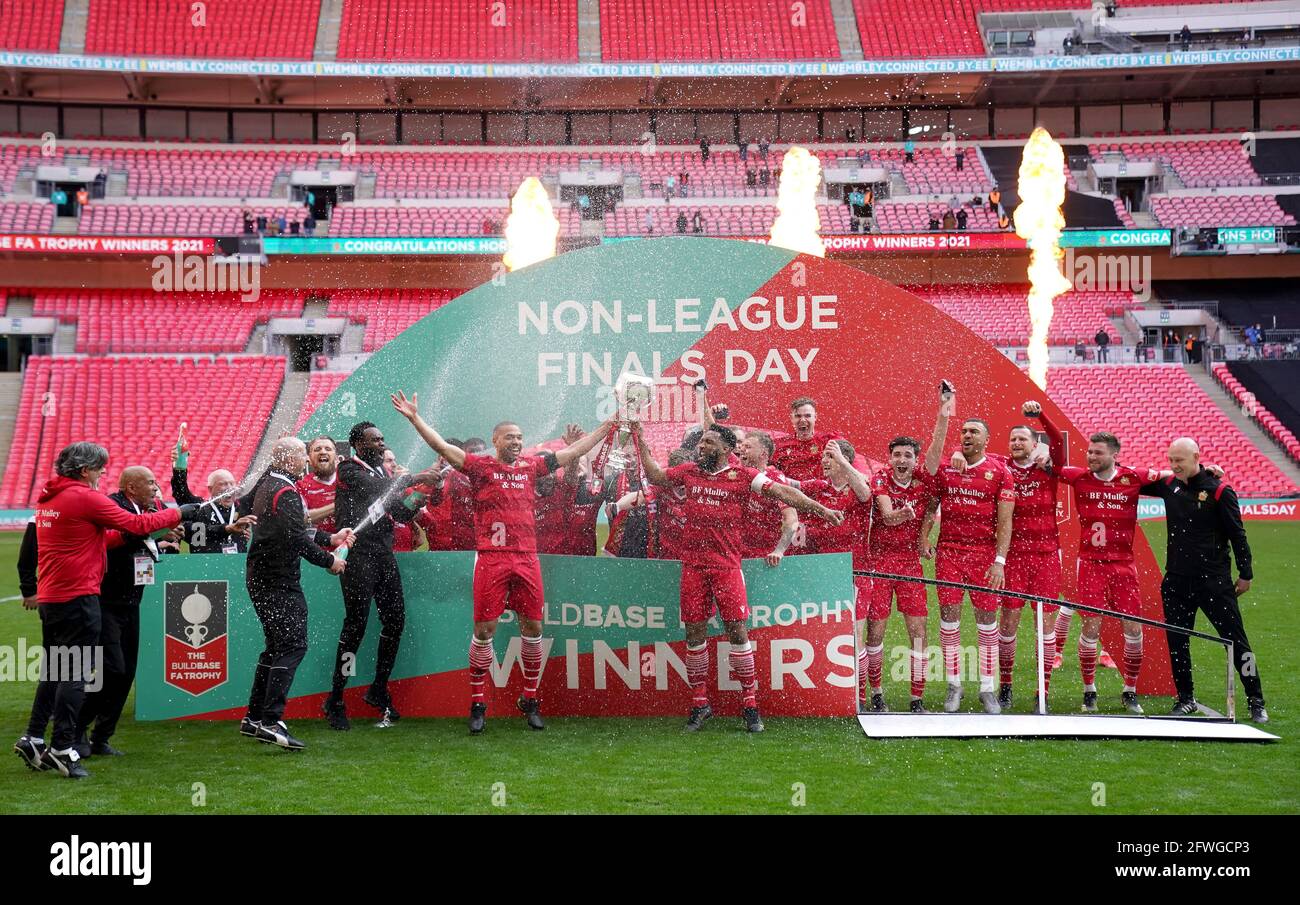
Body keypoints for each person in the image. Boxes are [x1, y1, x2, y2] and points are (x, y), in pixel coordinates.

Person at [391, 390, 615, 734]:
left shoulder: (531, 466)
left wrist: (606, 428)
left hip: (526, 559)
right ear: (495, 440)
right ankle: (478, 702)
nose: (517, 441)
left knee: (534, 629)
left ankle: (530, 699)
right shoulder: (480, 467)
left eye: (520, 437)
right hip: (492, 559)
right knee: (484, 631)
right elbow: (441, 448)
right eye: (510, 436)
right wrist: (414, 417)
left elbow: (572, 452)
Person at [633, 421, 843, 732]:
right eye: (701, 442)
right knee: (694, 635)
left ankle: (750, 704)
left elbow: (784, 492)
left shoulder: (742, 476)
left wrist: (822, 510)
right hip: (693, 567)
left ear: (728, 450)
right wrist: (640, 439)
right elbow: (656, 476)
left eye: (708, 443)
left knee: (737, 634)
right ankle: (700, 704)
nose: (702, 446)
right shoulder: (691, 470)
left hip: (727, 568)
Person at [13, 442, 188, 778]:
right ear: (84, 470)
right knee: (75, 674)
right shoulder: (84, 496)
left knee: (54, 671)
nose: (102, 474)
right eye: (99, 468)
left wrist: (123, 539)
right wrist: (182, 512)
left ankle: (34, 737)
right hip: (79, 598)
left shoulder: (50, 498)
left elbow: (100, 539)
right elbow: (137, 526)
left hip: (53, 598)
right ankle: (64, 746)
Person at [1142, 439, 1266, 722]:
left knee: (1235, 641)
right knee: (1177, 642)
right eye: (1171, 460)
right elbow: (1131, 480)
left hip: (1214, 582)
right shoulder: (1168, 485)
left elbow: (1238, 534)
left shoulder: (1220, 490)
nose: (1174, 466)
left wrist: (1245, 573)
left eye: (1180, 460)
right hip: (1176, 582)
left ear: (1196, 457)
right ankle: (1186, 699)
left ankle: (1256, 699)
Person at [323, 423, 436, 730]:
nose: (383, 445)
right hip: (358, 557)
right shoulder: (348, 468)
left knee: (395, 620)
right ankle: (335, 699)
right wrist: (417, 477)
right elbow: (377, 491)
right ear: (359, 444)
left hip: (383, 556)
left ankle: (378, 688)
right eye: (376, 440)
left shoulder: (382, 474)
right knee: (356, 625)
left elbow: (398, 512)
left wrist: (421, 496)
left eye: (384, 439)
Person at [241, 438, 352, 750]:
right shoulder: (286, 491)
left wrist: (331, 538)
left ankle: (254, 717)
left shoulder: (271, 486)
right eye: (303, 454)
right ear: (289, 458)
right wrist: (330, 560)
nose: (306, 459)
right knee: (292, 646)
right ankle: (270, 720)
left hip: (265, 578)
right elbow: (295, 538)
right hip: (277, 581)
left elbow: (296, 528)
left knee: (275, 647)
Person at [1055, 433, 1168, 714]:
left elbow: (1172, 474)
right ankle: (1089, 690)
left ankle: (1129, 690)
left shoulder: (1132, 478)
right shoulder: (1080, 477)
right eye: (1090, 452)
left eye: (1097, 453)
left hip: (1123, 565)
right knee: (1091, 627)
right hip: (1090, 564)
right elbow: (1046, 468)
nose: (1091, 457)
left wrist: (1206, 471)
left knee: (1133, 628)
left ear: (1114, 454)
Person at [74, 467, 183, 758]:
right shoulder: (112, 506)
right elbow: (109, 540)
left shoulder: (142, 509)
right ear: (131, 488)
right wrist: (147, 530)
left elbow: (142, 536)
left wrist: (162, 536)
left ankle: (101, 737)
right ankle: (76, 729)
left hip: (131, 601)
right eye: (149, 482)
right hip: (106, 601)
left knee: (126, 672)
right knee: (112, 668)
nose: (155, 487)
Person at [921, 383, 1016, 714]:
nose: (967, 435)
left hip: (984, 555)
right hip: (948, 552)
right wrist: (923, 537)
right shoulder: (948, 467)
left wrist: (1000, 562)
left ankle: (987, 688)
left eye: (974, 432)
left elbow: (1005, 522)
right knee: (949, 620)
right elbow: (932, 500)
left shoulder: (1000, 472)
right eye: (964, 431)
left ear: (986, 439)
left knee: (986, 621)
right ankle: (954, 685)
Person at [977, 402, 1066, 711]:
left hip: (1045, 557)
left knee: (1045, 625)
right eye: (1012, 439)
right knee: (1009, 623)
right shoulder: (1001, 469)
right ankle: (1006, 686)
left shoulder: (1048, 468)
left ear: (1034, 443)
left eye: (1022, 439)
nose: (1016, 443)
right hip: (1013, 557)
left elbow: (1058, 440)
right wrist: (961, 455)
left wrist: (1040, 415)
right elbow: (972, 456)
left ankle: (1043, 690)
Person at [866, 437, 937, 711]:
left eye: (908, 455)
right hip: (881, 561)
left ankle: (916, 697)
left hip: (909, 564)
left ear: (915, 459)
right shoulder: (880, 478)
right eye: (897, 455)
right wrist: (903, 514)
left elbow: (932, 507)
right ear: (889, 457)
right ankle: (876, 692)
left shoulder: (924, 481)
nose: (902, 460)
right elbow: (886, 515)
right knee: (876, 630)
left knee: (918, 630)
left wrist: (923, 537)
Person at [170, 454, 255, 554]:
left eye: (232, 483)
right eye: (223, 484)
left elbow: (259, 488)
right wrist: (179, 467)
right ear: (210, 488)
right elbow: (181, 492)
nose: (229, 488)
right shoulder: (200, 508)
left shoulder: (241, 506)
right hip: (206, 566)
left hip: (236, 565)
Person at [772, 396, 844, 483]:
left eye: (807, 416)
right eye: (798, 416)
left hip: (822, 493)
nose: (802, 420)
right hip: (791, 493)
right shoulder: (779, 445)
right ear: (792, 418)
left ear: (815, 417)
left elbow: (850, 461)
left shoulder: (828, 440)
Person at [297, 436, 339, 532]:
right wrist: (337, 506)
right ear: (309, 459)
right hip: (317, 546)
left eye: (328, 449)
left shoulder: (347, 481)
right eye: (317, 449)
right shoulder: (301, 486)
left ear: (337, 458)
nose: (323, 452)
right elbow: (299, 519)